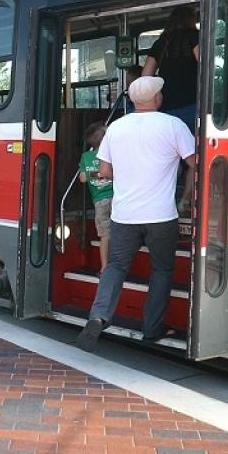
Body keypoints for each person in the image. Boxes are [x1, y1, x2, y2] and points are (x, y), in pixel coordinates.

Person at [76, 76, 196, 351]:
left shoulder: (115, 128)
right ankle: (152, 329)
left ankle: (98, 316)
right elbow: (194, 162)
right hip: (161, 217)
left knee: (116, 267)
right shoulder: (173, 125)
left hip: (124, 216)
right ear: (157, 98)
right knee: (161, 270)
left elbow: (104, 171)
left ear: (132, 101)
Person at [142, 6, 200, 130]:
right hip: (191, 101)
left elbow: (145, 75)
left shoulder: (160, 42)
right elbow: (205, 63)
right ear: (190, 20)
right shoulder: (194, 36)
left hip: (166, 104)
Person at [75, 122, 113, 269]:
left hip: (99, 201)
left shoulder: (86, 156)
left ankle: (104, 267)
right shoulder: (111, 154)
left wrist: (95, 174)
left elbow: (83, 178)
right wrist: (104, 173)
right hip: (116, 197)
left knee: (105, 235)